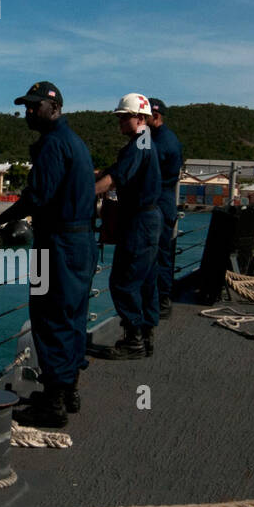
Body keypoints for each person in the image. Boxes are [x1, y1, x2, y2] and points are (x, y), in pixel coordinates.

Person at [0, 81, 95, 427]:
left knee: (49, 318)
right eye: (26, 107)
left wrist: (2, 220)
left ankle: (54, 404)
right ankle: (67, 390)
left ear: (55, 107)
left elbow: (38, 197)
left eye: (35, 106)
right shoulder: (75, 143)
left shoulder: (52, 145)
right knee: (73, 315)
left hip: (58, 244)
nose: (29, 112)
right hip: (80, 242)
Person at [94, 93, 162, 359]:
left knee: (123, 282)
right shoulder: (144, 143)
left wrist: (83, 195)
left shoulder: (139, 146)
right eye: (120, 117)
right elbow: (113, 171)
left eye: (125, 117)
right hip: (147, 220)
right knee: (144, 280)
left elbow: (114, 179)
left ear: (141, 118)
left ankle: (133, 340)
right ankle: (145, 335)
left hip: (138, 222)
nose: (121, 121)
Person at [147, 98, 184, 320]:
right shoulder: (154, 138)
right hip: (162, 201)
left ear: (156, 116)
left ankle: (162, 300)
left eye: (144, 115)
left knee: (160, 254)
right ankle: (158, 298)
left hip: (160, 202)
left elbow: (146, 170)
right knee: (159, 253)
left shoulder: (162, 142)